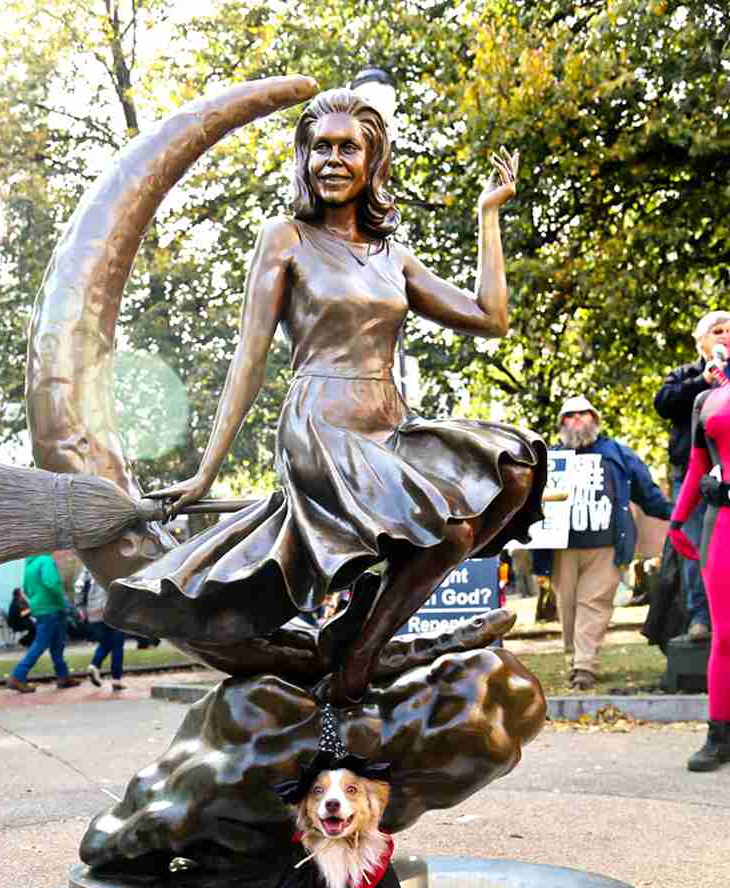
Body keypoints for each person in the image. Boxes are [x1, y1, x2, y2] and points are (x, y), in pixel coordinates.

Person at [106, 88, 546, 706]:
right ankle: (358, 661)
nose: (333, 161)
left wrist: (487, 216)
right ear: (304, 158)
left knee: (516, 468)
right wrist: (207, 470)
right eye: (321, 148)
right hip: (321, 425)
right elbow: (249, 357)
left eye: (348, 149)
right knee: (448, 534)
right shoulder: (285, 238)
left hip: (390, 421)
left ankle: (358, 627)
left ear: (372, 161)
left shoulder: (394, 257)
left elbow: (490, 318)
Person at [533, 396, 671, 689]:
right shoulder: (550, 459)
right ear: (561, 424)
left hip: (607, 546)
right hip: (562, 548)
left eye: (584, 413)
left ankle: (584, 666)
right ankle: (575, 658)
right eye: (570, 415)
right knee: (567, 607)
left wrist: (680, 512)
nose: (577, 419)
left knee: (593, 604)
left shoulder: (617, 453)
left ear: (595, 420)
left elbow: (648, 494)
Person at [668, 341, 730, 771]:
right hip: (721, 524)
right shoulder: (705, 400)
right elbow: (695, 466)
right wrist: (676, 521)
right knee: (724, 636)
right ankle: (719, 735)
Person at [654, 310, 730, 641]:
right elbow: (663, 403)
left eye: (729, 330)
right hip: (693, 477)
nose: (725, 336)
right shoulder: (685, 376)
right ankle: (700, 616)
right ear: (701, 342)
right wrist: (703, 382)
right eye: (717, 330)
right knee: (697, 545)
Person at [7, 554, 80, 694]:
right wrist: (63, 601)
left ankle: (63, 676)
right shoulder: (46, 560)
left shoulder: (30, 565)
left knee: (57, 644)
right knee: (41, 644)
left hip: (40, 608)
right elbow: (52, 583)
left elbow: (26, 588)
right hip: (52, 607)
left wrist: (36, 600)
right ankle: (17, 676)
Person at [75, 568, 126, 692]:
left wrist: (80, 608)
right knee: (117, 644)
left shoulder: (87, 568)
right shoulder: (115, 564)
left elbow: (78, 587)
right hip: (112, 609)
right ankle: (116, 679)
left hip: (93, 612)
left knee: (106, 642)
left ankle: (94, 665)